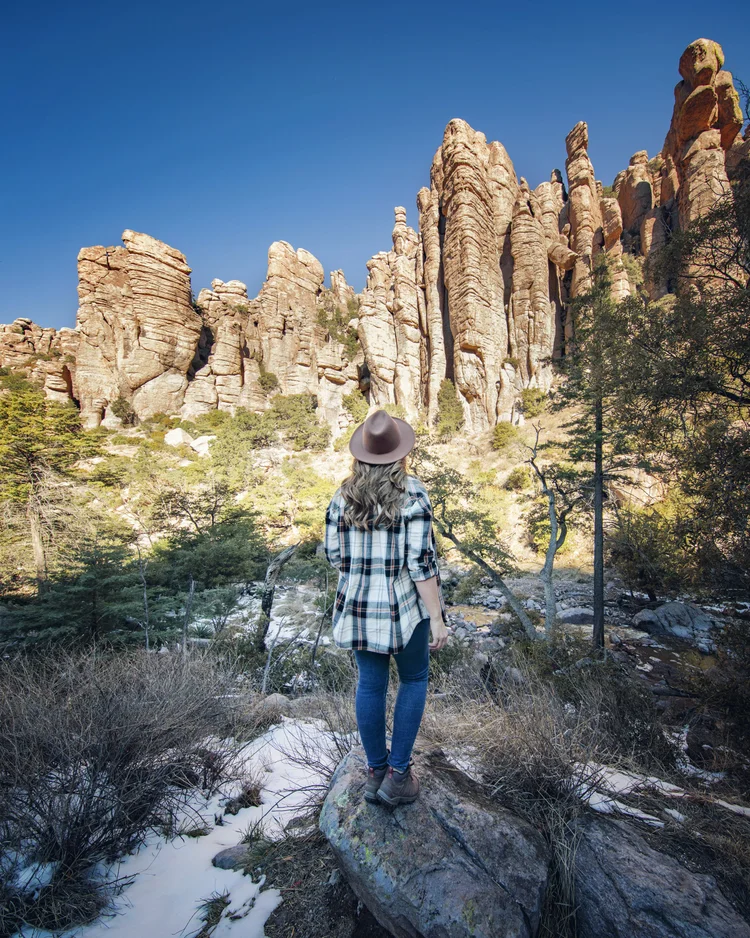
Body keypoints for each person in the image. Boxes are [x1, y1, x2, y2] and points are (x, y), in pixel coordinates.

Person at [324, 409, 449, 807]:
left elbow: (332, 555)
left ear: (361, 455)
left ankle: (375, 771)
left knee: (370, 685)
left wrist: (363, 572)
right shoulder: (413, 494)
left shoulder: (342, 496)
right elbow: (421, 563)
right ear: (400, 454)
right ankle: (398, 776)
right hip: (404, 608)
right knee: (413, 680)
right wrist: (437, 618)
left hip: (359, 604)